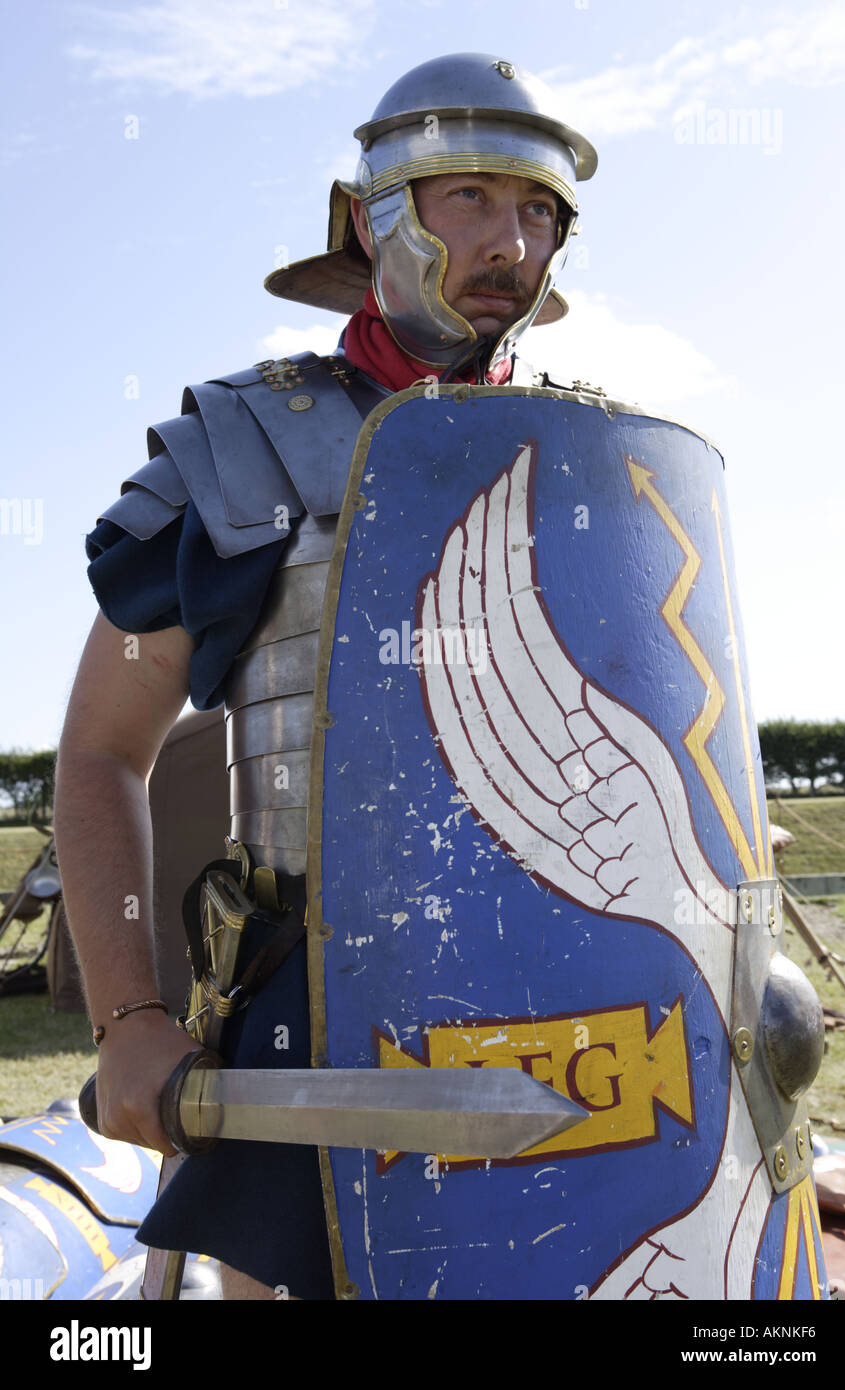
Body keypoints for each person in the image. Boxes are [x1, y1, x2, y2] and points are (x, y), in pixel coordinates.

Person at [54, 52, 597, 1300]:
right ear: (371, 217)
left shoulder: (594, 458)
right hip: (316, 1001)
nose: (508, 238)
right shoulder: (243, 450)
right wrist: (130, 1014)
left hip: (573, 998)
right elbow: (99, 751)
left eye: (536, 211)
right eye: (465, 197)